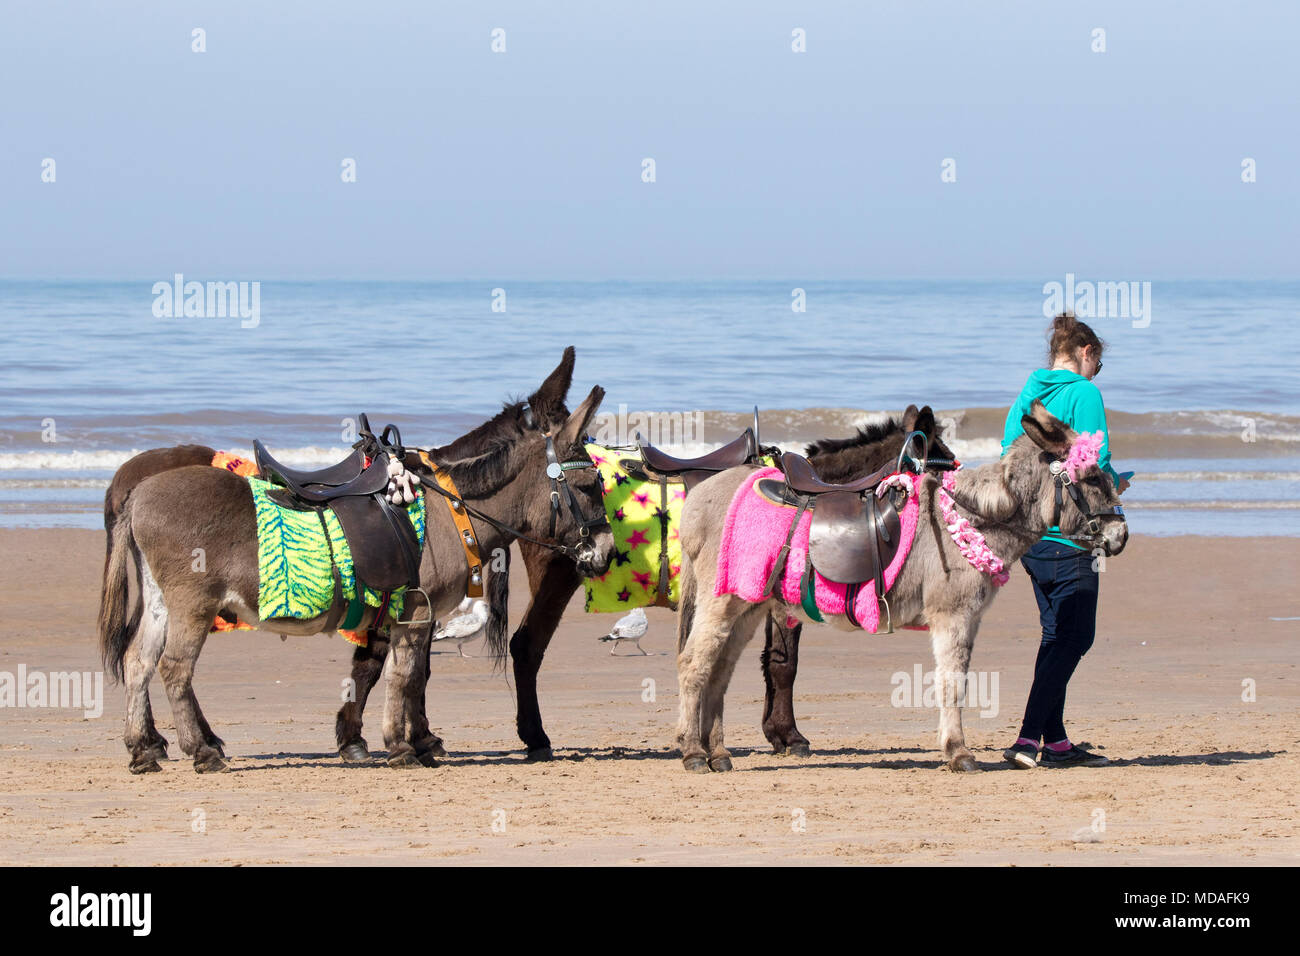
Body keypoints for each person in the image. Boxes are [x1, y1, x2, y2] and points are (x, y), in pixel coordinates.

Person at [1001, 312, 1128, 769]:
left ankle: (1054, 742)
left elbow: (1008, 456)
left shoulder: (1028, 393)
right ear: (1086, 353)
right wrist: (1115, 483)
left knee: (1057, 635)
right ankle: (1025, 739)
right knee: (1077, 636)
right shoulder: (1084, 391)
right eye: (1098, 364)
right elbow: (1096, 456)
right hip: (1072, 533)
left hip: (1031, 535)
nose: (1097, 374)